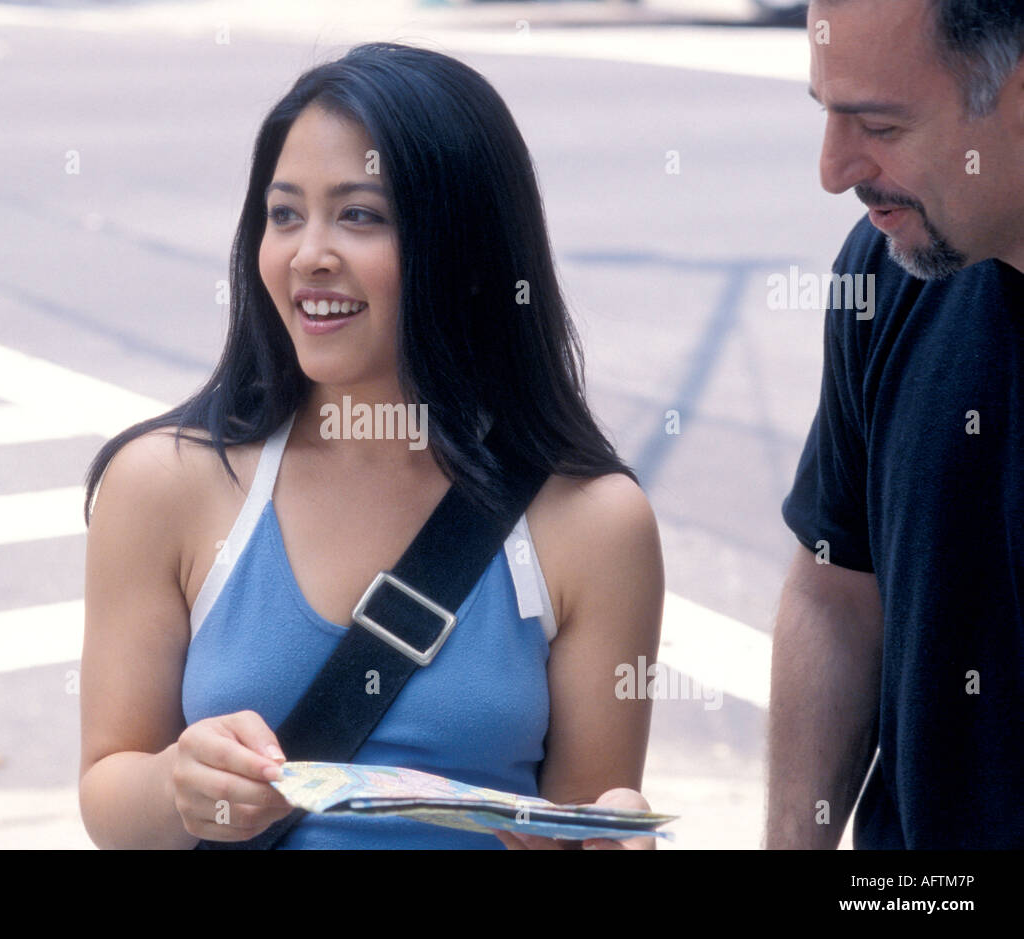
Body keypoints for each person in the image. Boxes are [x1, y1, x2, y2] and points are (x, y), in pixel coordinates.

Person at [76, 42, 664, 849]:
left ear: (465, 249)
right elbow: (109, 792)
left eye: (359, 214)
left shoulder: (597, 525)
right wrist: (178, 783)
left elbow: (578, 821)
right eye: (284, 213)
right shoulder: (164, 485)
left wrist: (604, 835)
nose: (308, 254)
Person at [768, 0, 1024, 849]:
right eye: (827, 112)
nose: (834, 169)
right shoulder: (885, 273)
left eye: (878, 123)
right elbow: (837, 590)